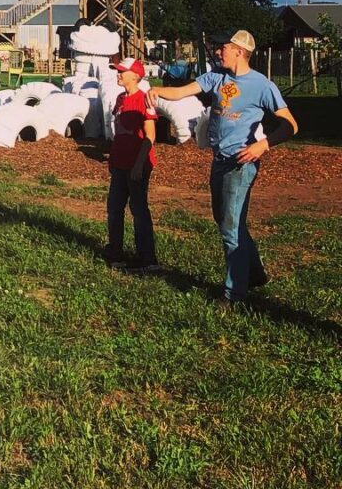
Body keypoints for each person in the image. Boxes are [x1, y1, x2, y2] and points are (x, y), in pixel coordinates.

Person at [153, 30, 297, 306]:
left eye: (224, 48)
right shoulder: (216, 76)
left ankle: (234, 295)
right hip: (220, 160)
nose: (219, 52)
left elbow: (290, 124)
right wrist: (158, 90)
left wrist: (262, 145)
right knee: (226, 220)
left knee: (230, 227)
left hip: (241, 164)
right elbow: (183, 91)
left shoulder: (262, 85)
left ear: (240, 52)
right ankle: (254, 274)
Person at [103, 57, 160, 272]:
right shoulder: (119, 99)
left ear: (135, 76)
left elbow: (150, 137)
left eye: (122, 72)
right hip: (119, 163)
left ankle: (147, 258)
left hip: (137, 164)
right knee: (114, 208)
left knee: (138, 208)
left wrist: (138, 165)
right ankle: (115, 253)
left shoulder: (143, 99)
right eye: (117, 71)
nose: (118, 74)